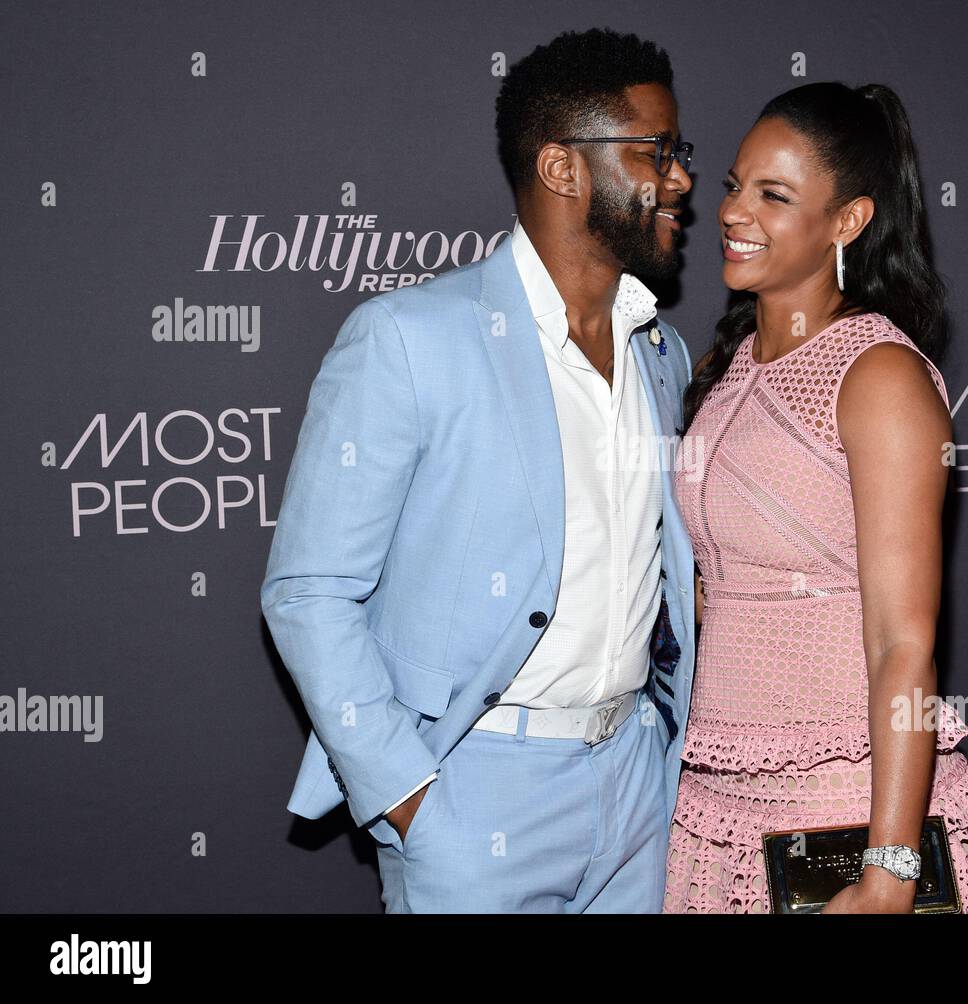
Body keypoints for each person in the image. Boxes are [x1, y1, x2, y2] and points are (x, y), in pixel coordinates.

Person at [261, 28, 698, 913]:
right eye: (657, 152)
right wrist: (410, 797)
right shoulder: (410, 340)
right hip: (475, 790)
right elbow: (308, 592)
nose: (682, 179)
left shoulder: (662, 350)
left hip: (637, 787)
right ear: (563, 168)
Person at [662, 81, 968, 913]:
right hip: (715, 816)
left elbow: (903, 642)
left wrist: (889, 871)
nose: (733, 212)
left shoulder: (880, 375)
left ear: (849, 221)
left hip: (850, 815)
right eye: (734, 185)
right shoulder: (724, 367)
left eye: (774, 195)